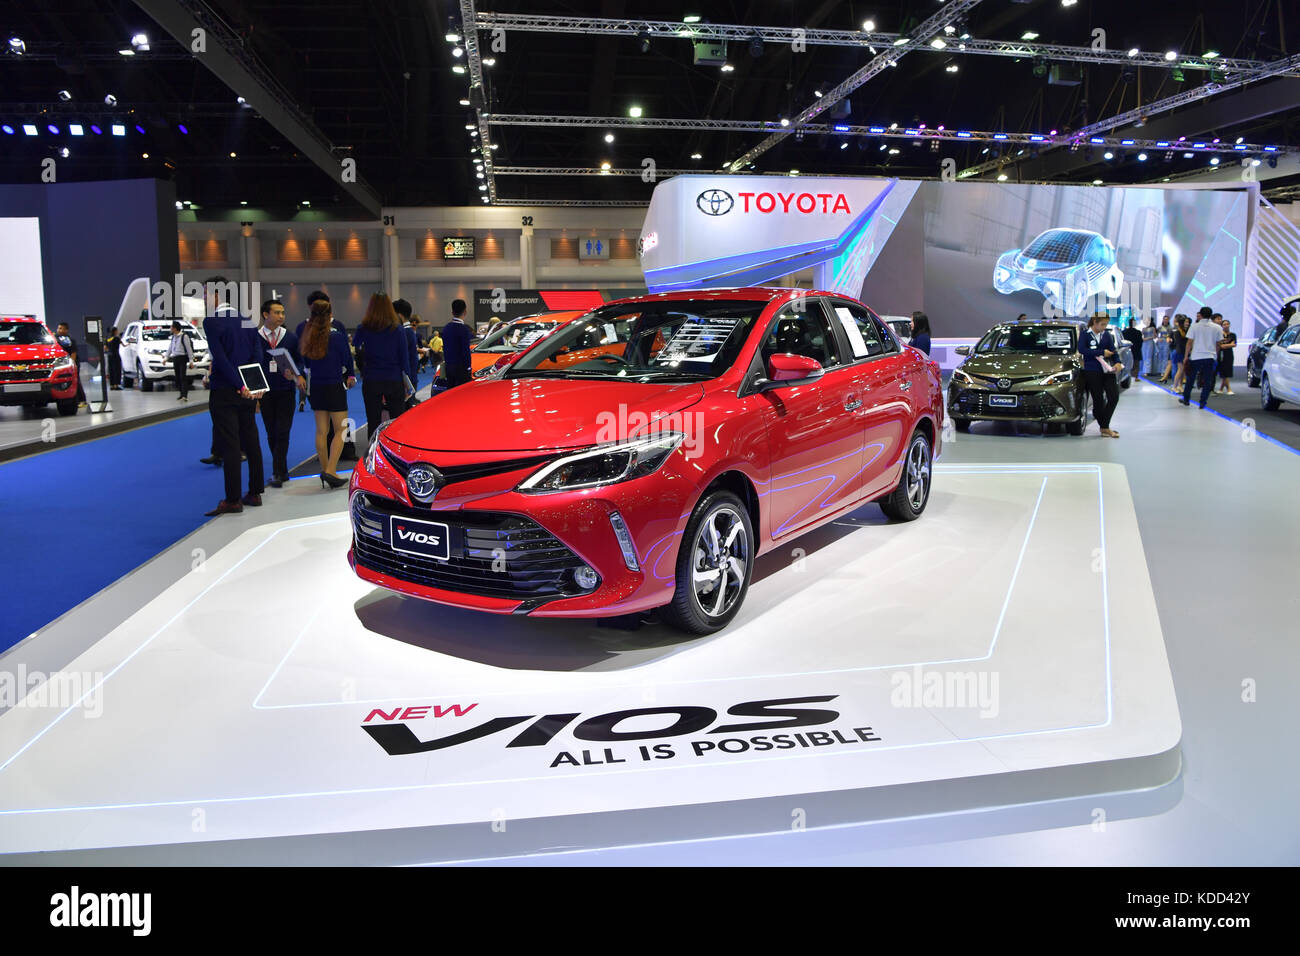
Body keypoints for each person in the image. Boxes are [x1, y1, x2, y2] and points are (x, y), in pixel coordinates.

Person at [203, 298, 265, 516]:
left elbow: (220, 359)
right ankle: (256, 492)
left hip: (225, 391)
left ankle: (232, 499)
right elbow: (258, 354)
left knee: (231, 444)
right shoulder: (247, 321)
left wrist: (238, 384)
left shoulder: (211, 322)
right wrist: (252, 384)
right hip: (247, 390)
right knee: (251, 438)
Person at [300, 299, 356, 489]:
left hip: (316, 386)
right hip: (334, 385)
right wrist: (350, 374)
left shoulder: (308, 335)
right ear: (330, 313)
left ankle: (325, 470)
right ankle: (331, 470)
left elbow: (306, 364)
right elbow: (347, 360)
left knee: (321, 431)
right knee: (340, 429)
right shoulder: (337, 336)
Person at [257, 298, 306, 487]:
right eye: (276, 312)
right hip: (265, 392)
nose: (281, 316)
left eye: (282, 313)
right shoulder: (256, 337)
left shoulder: (290, 337)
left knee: (283, 431)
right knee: (271, 433)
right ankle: (282, 470)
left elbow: (300, 361)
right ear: (265, 315)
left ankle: (277, 472)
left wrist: (297, 373)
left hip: (286, 391)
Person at [352, 293, 409, 447]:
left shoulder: (363, 327)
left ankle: (374, 450)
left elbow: (356, 345)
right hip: (394, 378)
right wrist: (408, 380)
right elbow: (404, 357)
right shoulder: (397, 328)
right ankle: (396, 448)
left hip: (372, 378)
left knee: (373, 419)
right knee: (397, 419)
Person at [1078, 313, 1124, 438]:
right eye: (1102, 324)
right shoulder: (1085, 335)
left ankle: (1104, 425)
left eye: (1106, 324)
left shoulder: (1107, 335)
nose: (1104, 327)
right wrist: (1101, 352)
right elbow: (1082, 350)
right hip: (1092, 371)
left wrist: (1118, 362)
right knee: (1098, 400)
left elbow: (1113, 351)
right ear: (1095, 322)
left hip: (1107, 370)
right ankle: (1105, 427)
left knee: (1114, 397)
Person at [1180, 306, 1223, 409]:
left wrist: (1186, 356)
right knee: (1207, 381)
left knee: (1190, 379)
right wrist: (1215, 355)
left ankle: (1186, 399)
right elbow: (1218, 343)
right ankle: (1203, 402)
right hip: (1210, 356)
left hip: (1196, 356)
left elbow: (1189, 342)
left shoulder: (1194, 326)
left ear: (1201, 315)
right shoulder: (1217, 327)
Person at [391, 298, 421, 401]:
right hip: (409, 378)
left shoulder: (404, 332)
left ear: (399, 315)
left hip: (406, 380)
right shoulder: (408, 331)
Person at [54, 322, 87, 407]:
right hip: (61, 364)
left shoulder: (70, 340)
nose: (59, 330)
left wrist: (71, 365)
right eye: (59, 328)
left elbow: (73, 353)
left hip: (72, 363)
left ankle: (82, 400)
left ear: (66, 330)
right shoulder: (55, 339)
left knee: (76, 381)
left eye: (62, 328)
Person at [441, 298, 473, 386]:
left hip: (449, 367)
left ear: (452, 312)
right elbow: (465, 351)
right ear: (465, 312)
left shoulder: (446, 328)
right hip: (461, 369)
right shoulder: (464, 329)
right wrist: (468, 368)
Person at [167, 320, 195, 401]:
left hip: (182, 358)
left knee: (183, 377)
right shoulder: (173, 337)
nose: (170, 328)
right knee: (177, 377)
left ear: (175, 328)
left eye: (171, 327)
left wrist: (191, 360)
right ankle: (181, 394)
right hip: (175, 358)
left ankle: (185, 395)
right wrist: (166, 357)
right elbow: (170, 348)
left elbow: (189, 349)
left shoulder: (184, 336)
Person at [1214, 316, 1237, 396]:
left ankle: (1221, 389)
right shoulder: (1219, 334)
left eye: (1227, 324)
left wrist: (1226, 345)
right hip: (1221, 354)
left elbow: (1234, 344)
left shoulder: (1233, 335)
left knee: (1227, 371)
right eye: (1224, 324)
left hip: (1229, 354)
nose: (1226, 325)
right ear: (1222, 326)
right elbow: (1221, 346)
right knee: (1224, 371)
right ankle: (1229, 389)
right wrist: (1229, 344)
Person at [1170, 316, 1189, 389]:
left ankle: (1180, 386)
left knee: (1182, 370)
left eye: (1187, 322)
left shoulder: (1185, 331)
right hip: (1179, 352)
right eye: (1185, 322)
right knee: (1180, 370)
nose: (1187, 323)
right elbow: (1179, 344)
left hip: (1183, 352)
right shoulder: (1177, 332)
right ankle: (1174, 386)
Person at [105, 326, 123, 390]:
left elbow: (105, 348)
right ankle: (116, 385)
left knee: (111, 370)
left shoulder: (108, 338)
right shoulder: (117, 338)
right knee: (117, 370)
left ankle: (112, 385)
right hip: (116, 356)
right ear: (115, 331)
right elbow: (123, 344)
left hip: (110, 356)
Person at [1154, 315, 1172, 381]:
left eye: (1167, 319)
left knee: (1165, 357)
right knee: (1160, 357)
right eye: (1164, 319)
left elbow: (1171, 336)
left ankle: (1163, 371)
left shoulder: (1170, 328)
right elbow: (1156, 335)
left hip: (1166, 343)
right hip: (1160, 343)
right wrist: (1158, 338)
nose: (1165, 320)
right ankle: (1159, 370)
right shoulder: (1160, 327)